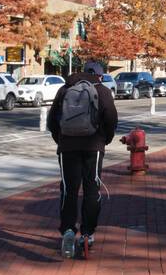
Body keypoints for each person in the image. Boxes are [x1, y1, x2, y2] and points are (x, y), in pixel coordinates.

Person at [47, 60, 118, 258]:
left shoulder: (64, 89)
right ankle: (88, 232)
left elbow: (52, 120)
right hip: (93, 146)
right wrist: (105, 139)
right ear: (100, 75)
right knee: (91, 189)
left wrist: (61, 140)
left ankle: (68, 230)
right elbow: (111, 117)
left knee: (69, 190)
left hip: (67, 146)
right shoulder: (102, 90)